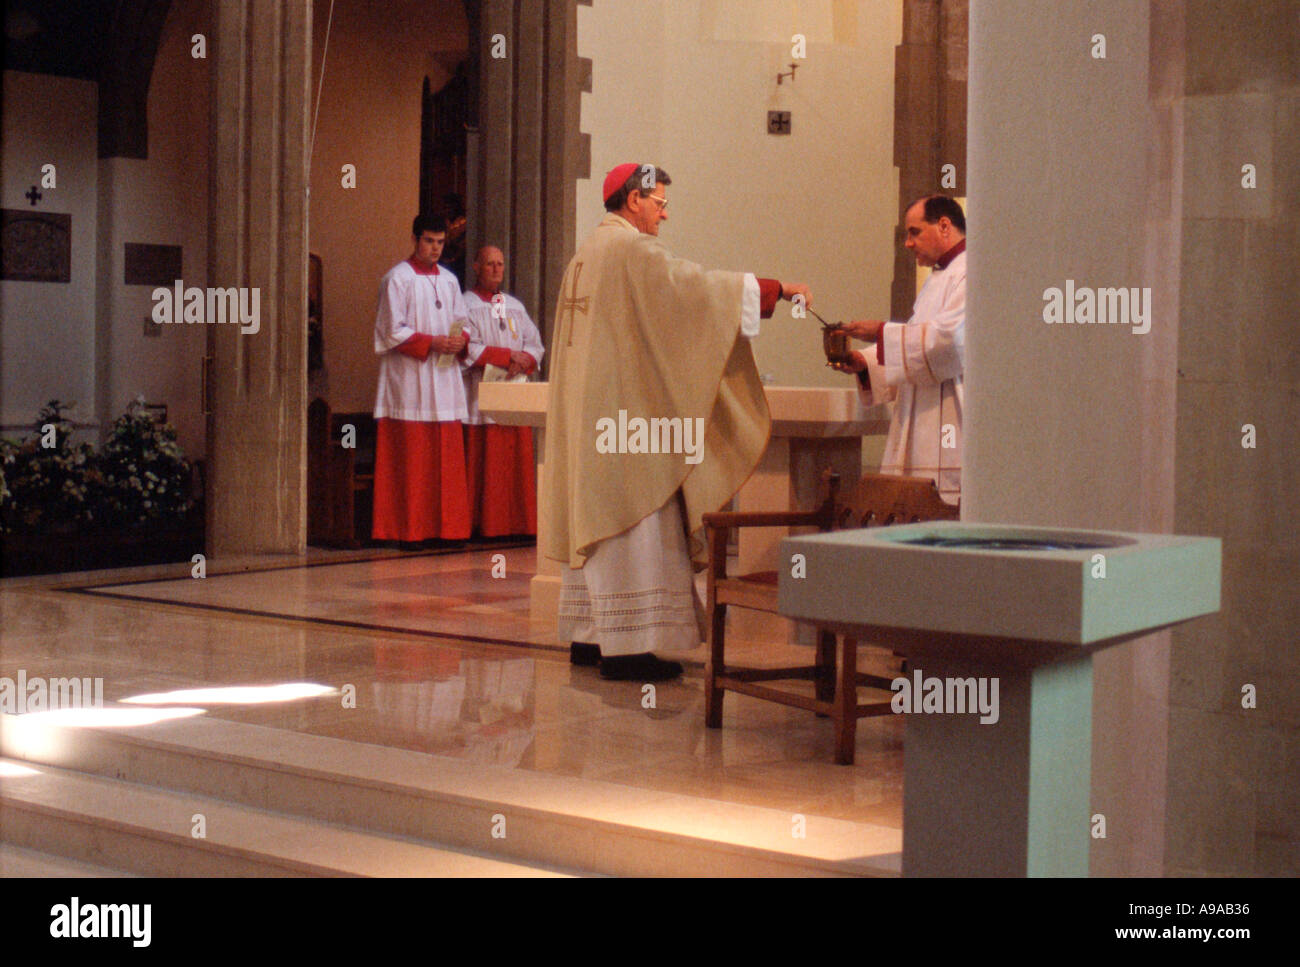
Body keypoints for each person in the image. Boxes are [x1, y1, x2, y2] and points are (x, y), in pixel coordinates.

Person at [542, 162, 811, 681]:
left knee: (601, 527)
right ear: (634, 199)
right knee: (635, 522)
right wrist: (773, 289)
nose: (664, 214)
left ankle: (593, 635)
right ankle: (631, 648)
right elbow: (693, 291)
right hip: (628, 427)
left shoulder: (587, 254)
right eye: (659, 202)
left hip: (597, 423)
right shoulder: (630, 251)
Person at [833, 195, 966, 505]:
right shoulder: (936, 279)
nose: (907, 243)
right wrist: (864, 361)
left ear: (944, 226)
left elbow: (949, 343)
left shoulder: (970, 272)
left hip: (950, 416)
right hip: (920, 414)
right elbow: (915, 340)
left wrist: (880, 331)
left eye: (914, 232)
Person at [371, 213, 472, 544]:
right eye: (429, 241)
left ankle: (449, 530)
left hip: (443, 380)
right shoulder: (396, 279)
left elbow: (462, 320)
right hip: (410, 382)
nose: (435, 248)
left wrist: (459, 340)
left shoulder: (450, 280)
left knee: (445, 462)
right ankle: (410, 530)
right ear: (415, 239)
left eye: (441, 242)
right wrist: (432, 342)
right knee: (413, 462)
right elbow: (391, 330)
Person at [462, 245, 545, 537]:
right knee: (487, 464)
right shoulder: (465, 304)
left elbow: (535, 344)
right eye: (489, 264)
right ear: (476, 267)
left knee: (516, 463)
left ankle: (519, 524)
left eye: (500, 264)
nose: (496, 269)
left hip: (514, 392)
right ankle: (485, 525)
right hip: (482, 394)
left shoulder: (514, 306)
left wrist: (524, 360)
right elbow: (465, 347)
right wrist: (504, 356)